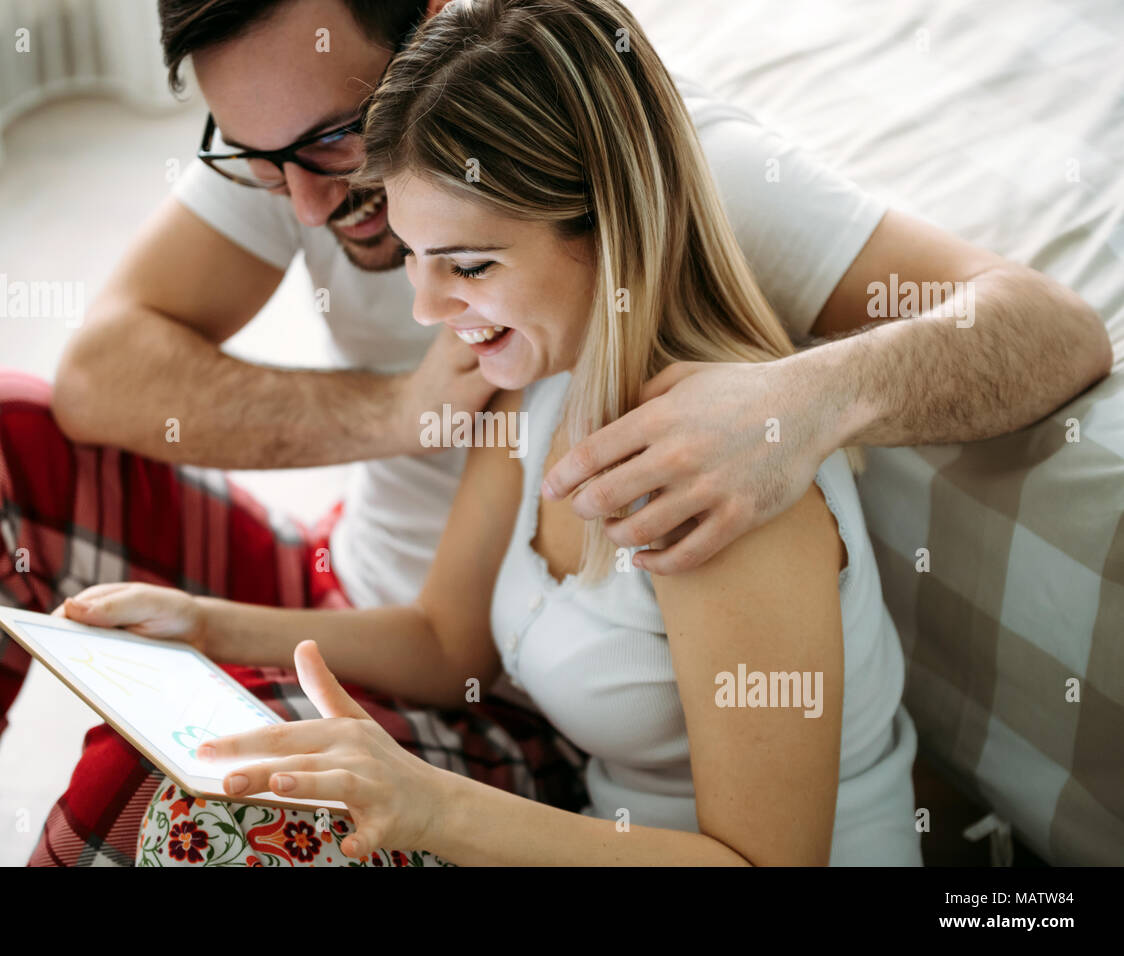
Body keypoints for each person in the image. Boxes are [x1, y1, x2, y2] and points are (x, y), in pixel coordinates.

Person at [0, 0, 1108, 867]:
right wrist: (212, 614)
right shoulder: (522, 358)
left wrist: (802, 403)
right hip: (435, 639)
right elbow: (448, 634)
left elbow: (1048, 327)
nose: (319, 211)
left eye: (337, 147)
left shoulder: (703, 466)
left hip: (558, 760)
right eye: (264, 165)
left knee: (183, 796)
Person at [125, 0, 922, 865]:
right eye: (415, 257)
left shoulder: (717, 480)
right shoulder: (533, 384)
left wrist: (430, 807)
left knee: (208, 830)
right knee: (182, 782)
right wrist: (200, 626)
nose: (430, 310)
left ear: (606, 223)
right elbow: (444, 642)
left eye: (468, 266)